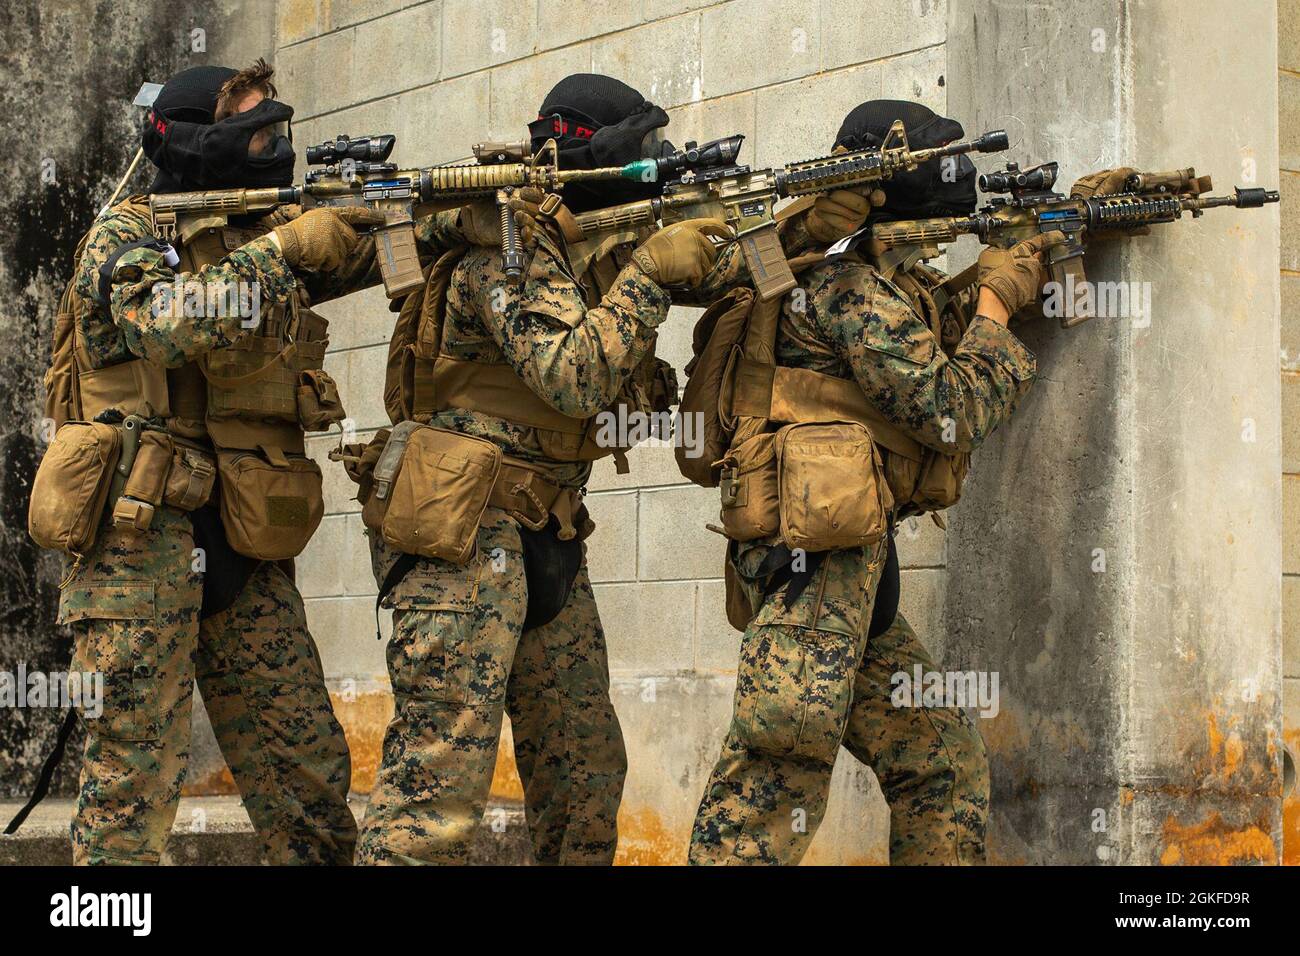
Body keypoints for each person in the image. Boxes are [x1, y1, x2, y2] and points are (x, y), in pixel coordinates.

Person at [352, 73, 731, 865]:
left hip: (548, 529)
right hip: (463, 535)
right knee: (438, 791)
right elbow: (572, 375)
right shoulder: (508, 248)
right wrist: (653, 274)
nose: (657, 161)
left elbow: (619, 372)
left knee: (584, 771)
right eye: (644, 149)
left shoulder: (591, 255)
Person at [687, 99, 1066, 865]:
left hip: (851, 578)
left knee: (941, 765)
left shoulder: (888, 289)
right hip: (812, 572)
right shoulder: (850, 292)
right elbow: (951, 408)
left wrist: (1042, 242)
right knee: (774, 779)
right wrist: (999, 299)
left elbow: (933, 338)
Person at [41, 59, 387, 865]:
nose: (273, 145)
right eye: (256, 128)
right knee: (127, 794)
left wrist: (442, 217)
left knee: (306, 781)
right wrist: (286, 249)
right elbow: (163, 322)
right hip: (137, 547)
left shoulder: (255, 235)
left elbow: (361, 252)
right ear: (201, 140)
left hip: (243, 541)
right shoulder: (124, 236)